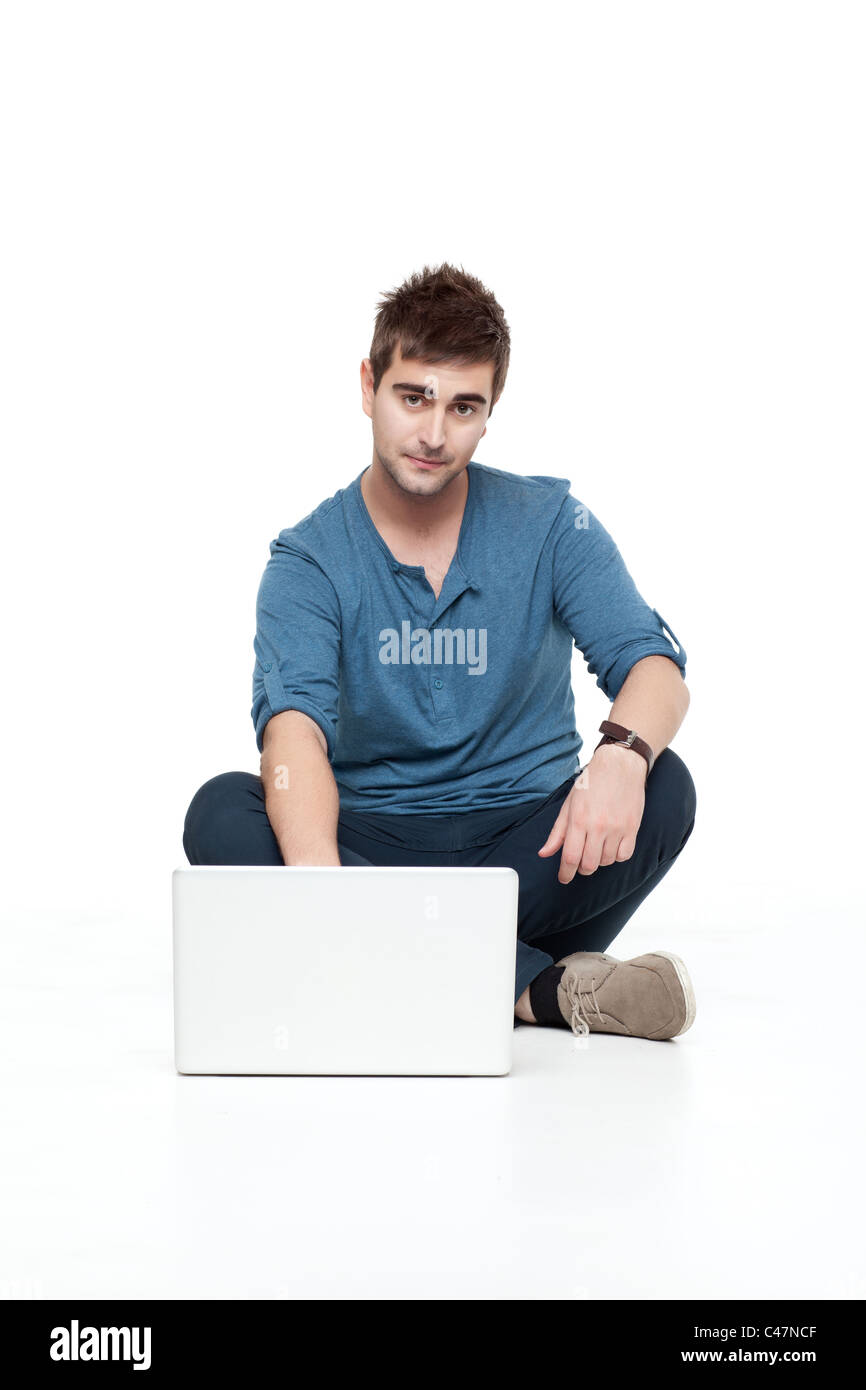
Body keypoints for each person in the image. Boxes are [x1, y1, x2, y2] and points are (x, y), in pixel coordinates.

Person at [183, 262, 698, 1041]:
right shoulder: (308, 562)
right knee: (221, 811)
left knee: (668, 782)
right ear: (368, 385)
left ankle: (380, 966)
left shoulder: (551, 523)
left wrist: (622, 756)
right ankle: (543, 990)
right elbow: (294, 734)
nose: (432, 433)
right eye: (412, 396)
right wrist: (324, 890)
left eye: (463, 406)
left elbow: (651, 667)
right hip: (369, 846)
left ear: (490, 412)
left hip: (529, 845)